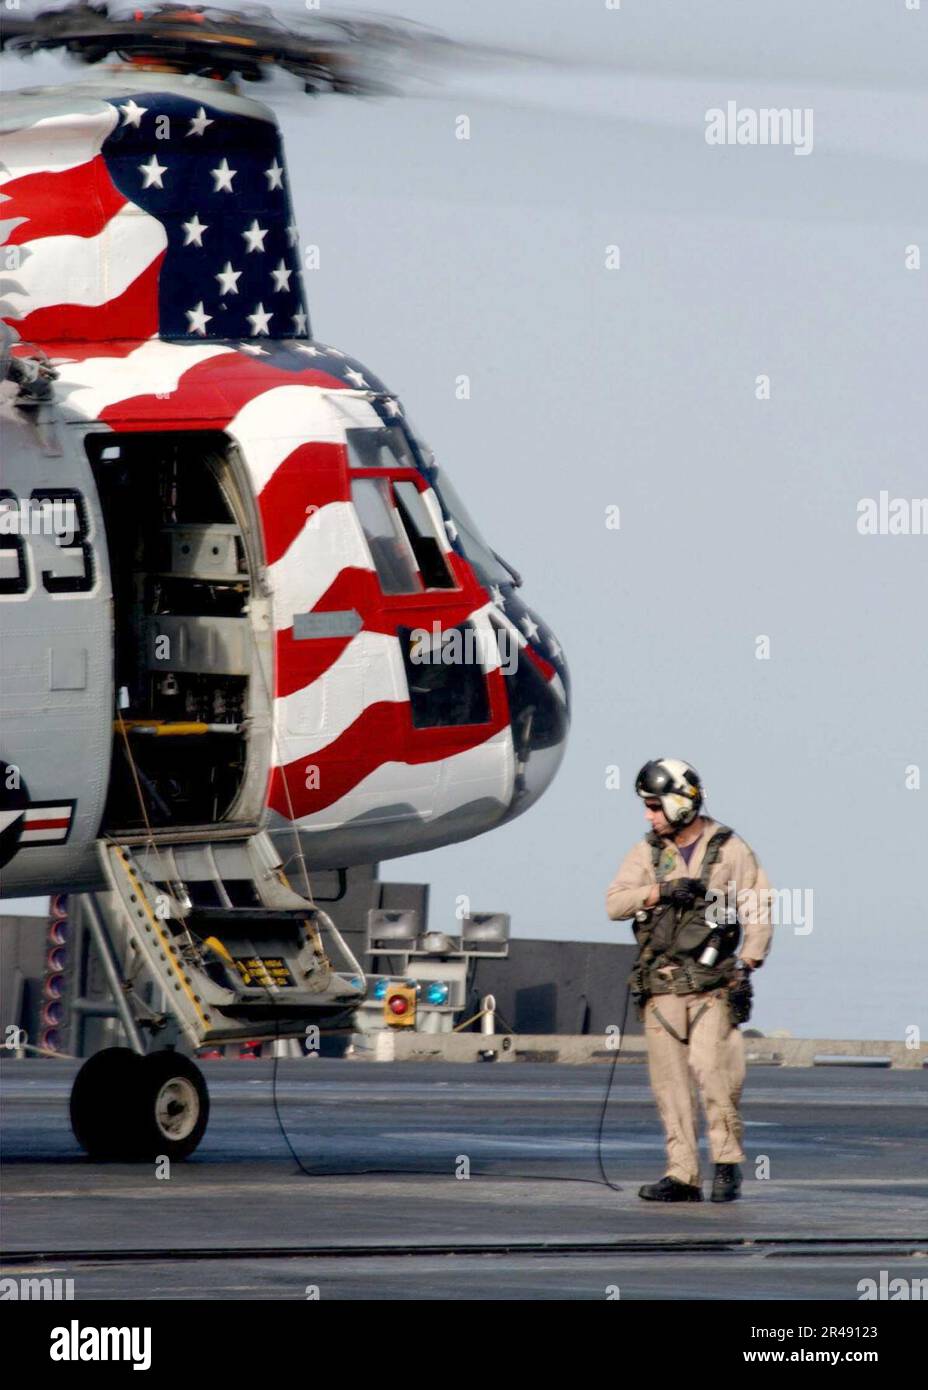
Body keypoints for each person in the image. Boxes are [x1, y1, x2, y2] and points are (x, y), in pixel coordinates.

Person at [605, 758, 773, 1202]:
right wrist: (658, 891)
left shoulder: (730, 849)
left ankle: (727, 1163)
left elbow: (758, 904)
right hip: (661, 989)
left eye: (655, 806)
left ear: (679, 804)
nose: (649, 815)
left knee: (714, 1075)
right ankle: (682, 1174)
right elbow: (614, 903)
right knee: (670, 1085)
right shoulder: (647, 854)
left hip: (712, 987)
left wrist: (749, 962)